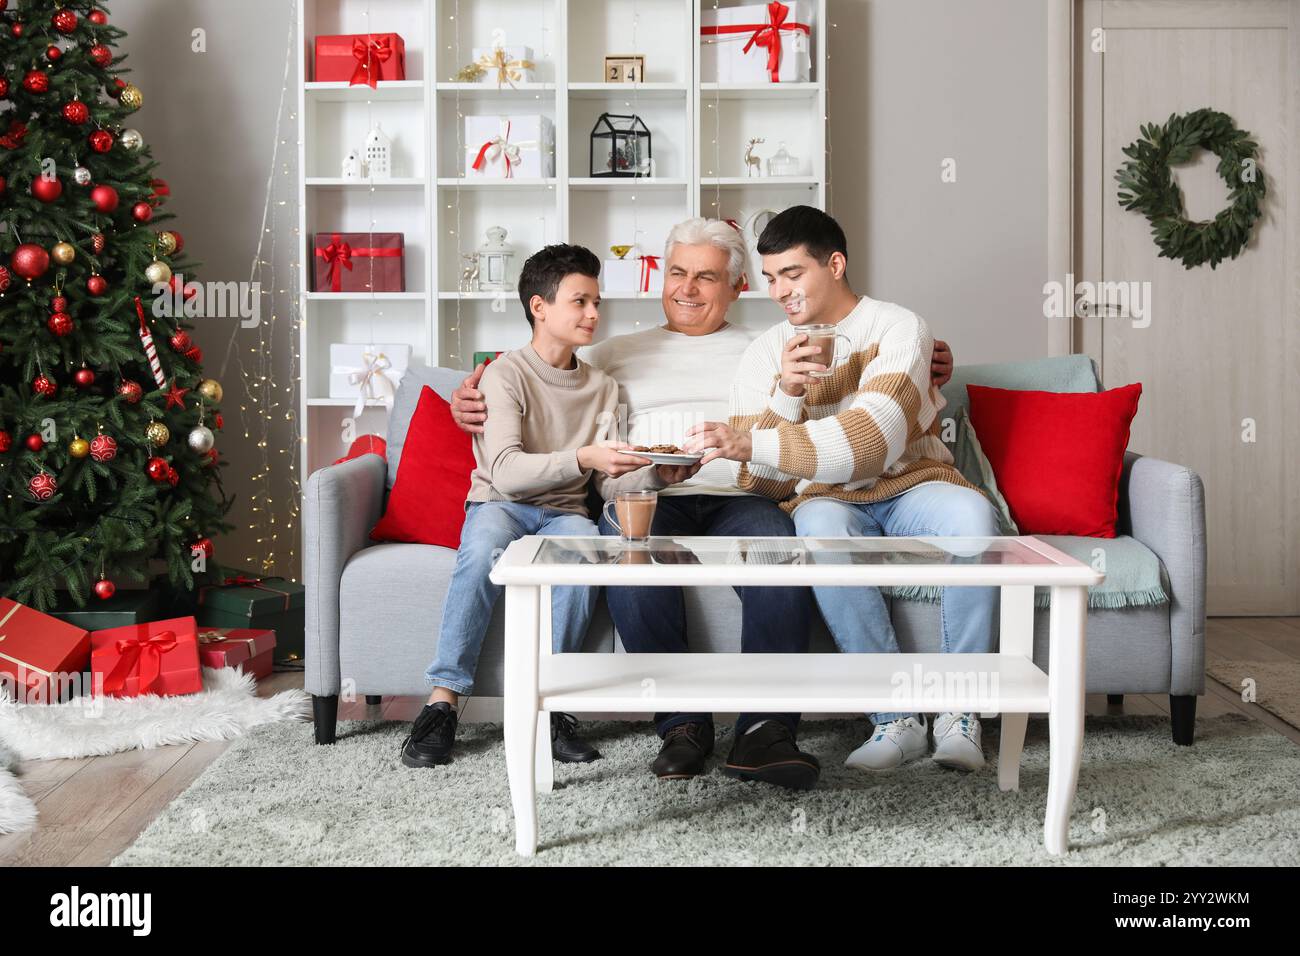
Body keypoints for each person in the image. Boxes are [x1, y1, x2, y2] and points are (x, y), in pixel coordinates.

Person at [449, 218, 958, 789]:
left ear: (738, 287)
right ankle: (682, 725)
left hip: (741, 492)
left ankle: (765, 730)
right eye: (677, 273)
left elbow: (862, 380)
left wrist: (930, 364)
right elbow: (541, 380)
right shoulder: (614, 351)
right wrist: (467, 395)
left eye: (706, 277)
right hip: (649, 492)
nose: (686, 289)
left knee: (779, 551)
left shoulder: (773, 346)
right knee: (626, 545)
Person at [684, 205, 1000, 773]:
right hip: (826, 497)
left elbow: (871, 443)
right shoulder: (765, 353)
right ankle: (894, 718)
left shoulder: (899, 327)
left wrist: (754, 439)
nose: (780, 290)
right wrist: (785, 395)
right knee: (816, 526)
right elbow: (759, 482)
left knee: (973, 518)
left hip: (911, 481)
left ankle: (961, 712)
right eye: (772, 277)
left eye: (793, 273)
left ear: (835, 264)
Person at [402, 244, 689, 769]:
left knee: (582, 560)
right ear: (539, 307)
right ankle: (442, 703)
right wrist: (582, 454)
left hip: (565, 512)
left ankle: (548, 707)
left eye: (596, 302)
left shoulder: (603, 387)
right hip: (502, 502)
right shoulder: (504, 375)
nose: (593, 314)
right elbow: (508, 471)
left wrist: (656, 474)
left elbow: (606, 483)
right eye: (580, 302)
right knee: (481, 551)